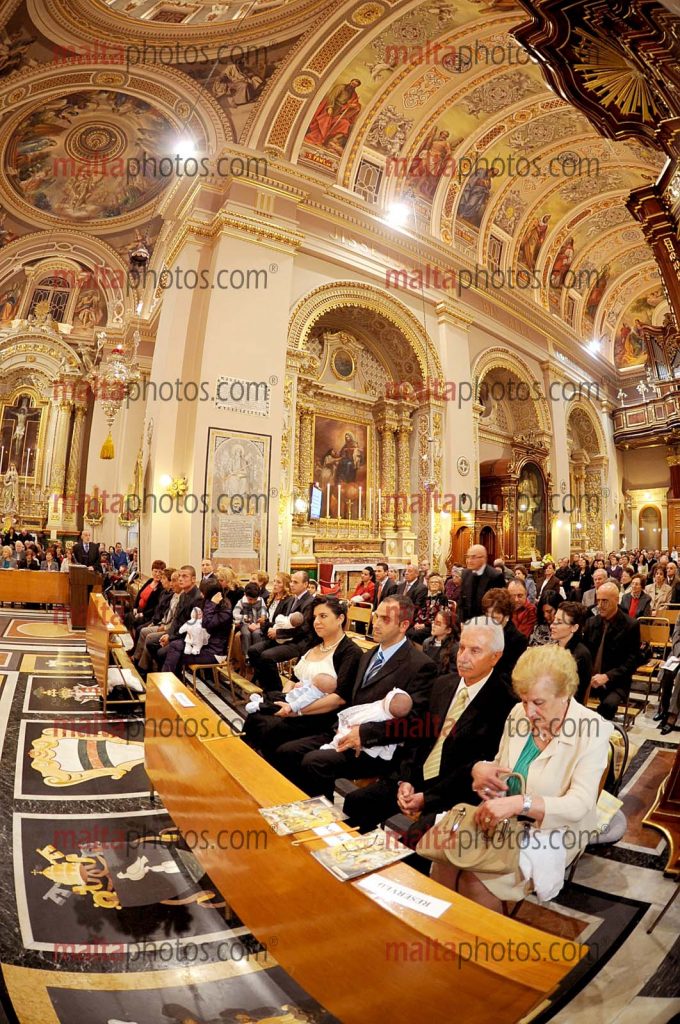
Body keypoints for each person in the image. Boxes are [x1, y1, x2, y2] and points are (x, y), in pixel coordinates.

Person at [428, 645, 613, 911]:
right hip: (505, 822)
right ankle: (441, 931)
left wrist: (520, 804)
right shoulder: (517, 714)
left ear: (565, 694)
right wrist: (483, 772)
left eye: (538, 703)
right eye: (525, 701)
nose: (529, 712)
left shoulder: (593, 729)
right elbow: (502, 766)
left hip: (553, 832)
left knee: (476, 880)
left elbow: (580, 804)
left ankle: (475, 936)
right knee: (445, 860)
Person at [343, 621, 517, 847]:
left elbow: (476, 766)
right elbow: (418, 738)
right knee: (356, 802)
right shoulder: (444, 684)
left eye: (475, 651)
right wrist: (406, 780)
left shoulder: (504, 703)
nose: (463, 657)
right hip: (417, 778)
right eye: (462, 648)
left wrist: (427, 798)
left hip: (454, 793)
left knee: (413, 843)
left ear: (495, 657)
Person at [273, 595, 436, 798]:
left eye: (385, 619)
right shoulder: (368, 655)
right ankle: (294, 803)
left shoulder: (420, 665)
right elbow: (350, 699)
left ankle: (320, 814)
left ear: (403, 625)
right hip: (344, 730)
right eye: (376, 616)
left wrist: (365, 733)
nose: (376, 624)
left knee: (315, 762)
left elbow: (414, 723)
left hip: (377, 745)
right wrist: (302, 705)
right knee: (286, 752)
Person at [243, 597, 362, 759]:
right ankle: (245, 760)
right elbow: (293, 679)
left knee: (269, 726)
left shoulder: (350, 652)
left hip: (318, 714)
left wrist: (296, 709)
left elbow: (339, 698)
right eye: (315, 617)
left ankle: (262, 766)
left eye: (323, 616)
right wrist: (286, 699)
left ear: (340, 618)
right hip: (294, 702)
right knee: (256, 716)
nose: (317, 622)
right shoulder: (312, 645)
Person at [248, 570, 316, 690]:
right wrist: (271, 627)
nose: (292, 584)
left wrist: (278, 633)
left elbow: (303, 629)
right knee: (253, 651)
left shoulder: (309, 602)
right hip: (285, 638)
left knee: (267, 656)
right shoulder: (293, 599)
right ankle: (265, 684)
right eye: (291, 582)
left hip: (298, 642)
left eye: (295, 582)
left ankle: (276, 690)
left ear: (305, 584)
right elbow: (284, 621)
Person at [583, 581, 641, 719]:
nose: (600, 605)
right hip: (590, 678)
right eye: (598, 600)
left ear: (616, 600)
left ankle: (600, 730)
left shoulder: (630, 625)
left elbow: (632, 661)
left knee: (608, 706)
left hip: (616, 681)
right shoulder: (591, 622)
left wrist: (607, 676)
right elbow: (585, 652)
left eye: (605, 601)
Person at [162, 577, 233, 678]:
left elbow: (206, 624)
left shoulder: (225, 610)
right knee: (174, 645)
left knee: (173, 655)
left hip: (213, 651)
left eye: (203, 592)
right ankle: (172, 681)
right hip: (201, 644)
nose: (201, 594)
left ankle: (169, 681)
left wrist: (211, 604)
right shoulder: (207, 602)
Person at [320, 689, 413, 760]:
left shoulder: (376, 712)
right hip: (372, 748)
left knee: (341, 738)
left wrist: (347, 723)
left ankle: (332, 747)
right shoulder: (391, 720)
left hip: (355, 733)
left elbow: (358, 718)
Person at [143, 565, 202, 675]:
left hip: (188, 638)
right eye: (180, 576)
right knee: (151, 642)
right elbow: (176, 620)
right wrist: (168, 634)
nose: (180, 579)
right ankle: (161, 673)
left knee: (162, 653)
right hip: (177, 634)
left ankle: (171, 677)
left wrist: (171, 638)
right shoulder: (183, 595)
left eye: (185, 576)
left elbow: (191, 626)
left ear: (193, 579)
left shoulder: (197, 598)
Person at [550, 601, 593, 704]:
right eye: (554, 619)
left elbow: (574, 694)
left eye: (559, 622)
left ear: (574, 628)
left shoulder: (581, 655)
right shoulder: (553, 648)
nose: (552, 625)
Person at [480, 589, 528, 678]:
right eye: (487, 617)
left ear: (507, 616)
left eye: (494, 618)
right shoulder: (481, 633)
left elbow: (511, 674)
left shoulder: (518, 640)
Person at [458, 545, 504, 623]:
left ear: (483, 558)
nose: (469, 561)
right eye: (467, 557)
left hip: (487, 623)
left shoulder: (495, 576)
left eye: (473, 557)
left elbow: (499, 606)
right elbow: (461, 602)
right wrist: (461, 622)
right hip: (468, 624)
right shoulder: (465, 574)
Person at [124, 559, 166, 633]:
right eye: (155, 571)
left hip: (148, 614)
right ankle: (128, 634)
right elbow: (139, 594)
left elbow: (156, 606)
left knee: (135, 622)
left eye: (160, 572)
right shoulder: (150, 581)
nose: (157, 574)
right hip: (139, 609)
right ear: (152, 571)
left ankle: (133, 638)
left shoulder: (161, 587)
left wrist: (142, 614)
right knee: (127, 616)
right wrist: (135, 607)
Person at [407, 573, 448, 642]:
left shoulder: (443, 597)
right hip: (422, 623)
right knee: (408, 632)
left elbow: (440, 615)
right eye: (431, 582)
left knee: (415, 634)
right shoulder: (426, 597)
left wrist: (424, 625)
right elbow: (420, 611)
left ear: (440, 585)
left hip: (433, 625)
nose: (433, 584)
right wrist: (417, 623)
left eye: (436, 582)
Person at [232, 581, 268, 660]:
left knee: (257, 633)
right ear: (245, 594)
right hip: (245, 623)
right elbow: (235, 613)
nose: (252, 602)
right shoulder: (241, 602)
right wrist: (244, 617)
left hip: (257, 624)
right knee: (246, 634)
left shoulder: (261, 600)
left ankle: (257, 654)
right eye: (250, 599)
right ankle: (247, 656)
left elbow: (264, 611)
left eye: (255, 600)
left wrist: (262, 617)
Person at [422, 608, 459, 674]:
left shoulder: (455, 648)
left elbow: (453, 675)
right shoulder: (427, 642)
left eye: (438, 624)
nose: (433, 625)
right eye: (434, 622)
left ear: (448, 630)